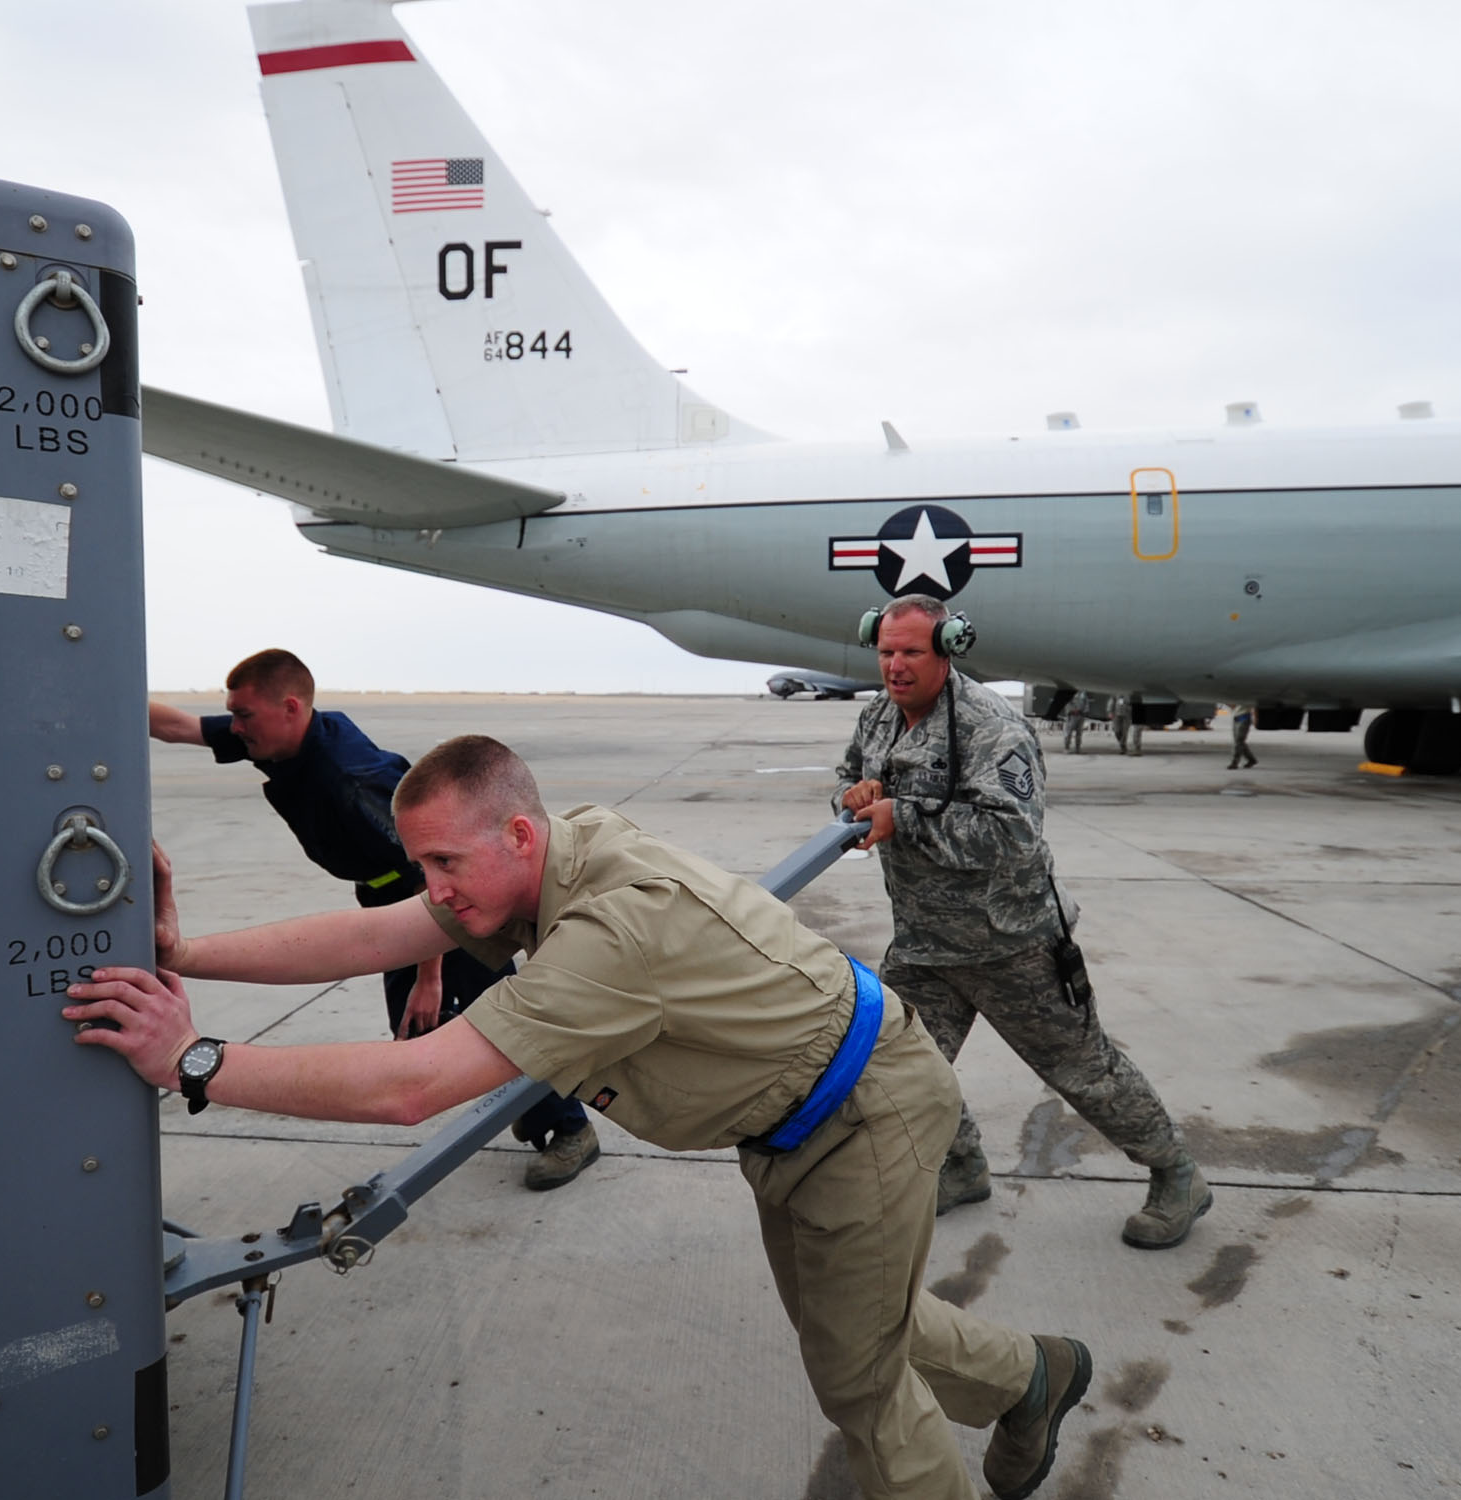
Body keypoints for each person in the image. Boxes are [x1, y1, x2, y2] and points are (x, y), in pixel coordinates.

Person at [66, 736, 1092, 1500]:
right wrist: (187, 957)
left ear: (516, 834)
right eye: (422, 865)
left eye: (445, 867)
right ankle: (1034, 1375)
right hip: (809, 1114)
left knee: (858, 1380)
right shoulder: (554, 847)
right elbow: (374, 931)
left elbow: (410, 1086)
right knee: (872, 1323)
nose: (433, 892)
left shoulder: (607, 934)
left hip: (861, 1115)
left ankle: (1022, 1387)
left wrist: (194, 1060)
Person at [835, 596, 1211, 1250]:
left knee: (1084, 1071)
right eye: (887, 651)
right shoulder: (877, 717)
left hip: (1012, 945)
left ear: (947, 650)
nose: (895, 665)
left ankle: (1176, 1172)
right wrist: (855, 796)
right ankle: (962, 1165)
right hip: (924, 945)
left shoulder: (993, 727)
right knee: (895, 1067)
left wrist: (907, 818)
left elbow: (1012, 837)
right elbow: (847, 780)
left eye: (911, 652)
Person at [147, 650, 597, 1190]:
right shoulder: (278, 737)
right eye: (234, 716)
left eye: (245, 717)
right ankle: (521, 1094)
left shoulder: (352, 779)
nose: (236, 728)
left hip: (452, 909)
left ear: (290, 708)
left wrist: (429, 979)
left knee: (501, 1029)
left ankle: (569, 1127)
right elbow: (177, 726)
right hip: (389, 905)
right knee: (415, 1033)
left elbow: (429, 880)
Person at [1229, 703, 1259, 769]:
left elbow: (1256, 705)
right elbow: (1232, 706)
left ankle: (1235, 762)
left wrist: (1256, 718)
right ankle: (1251, 760)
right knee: (1239, 742)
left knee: (1239, 741)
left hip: (1244, 718)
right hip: (1235, 718)